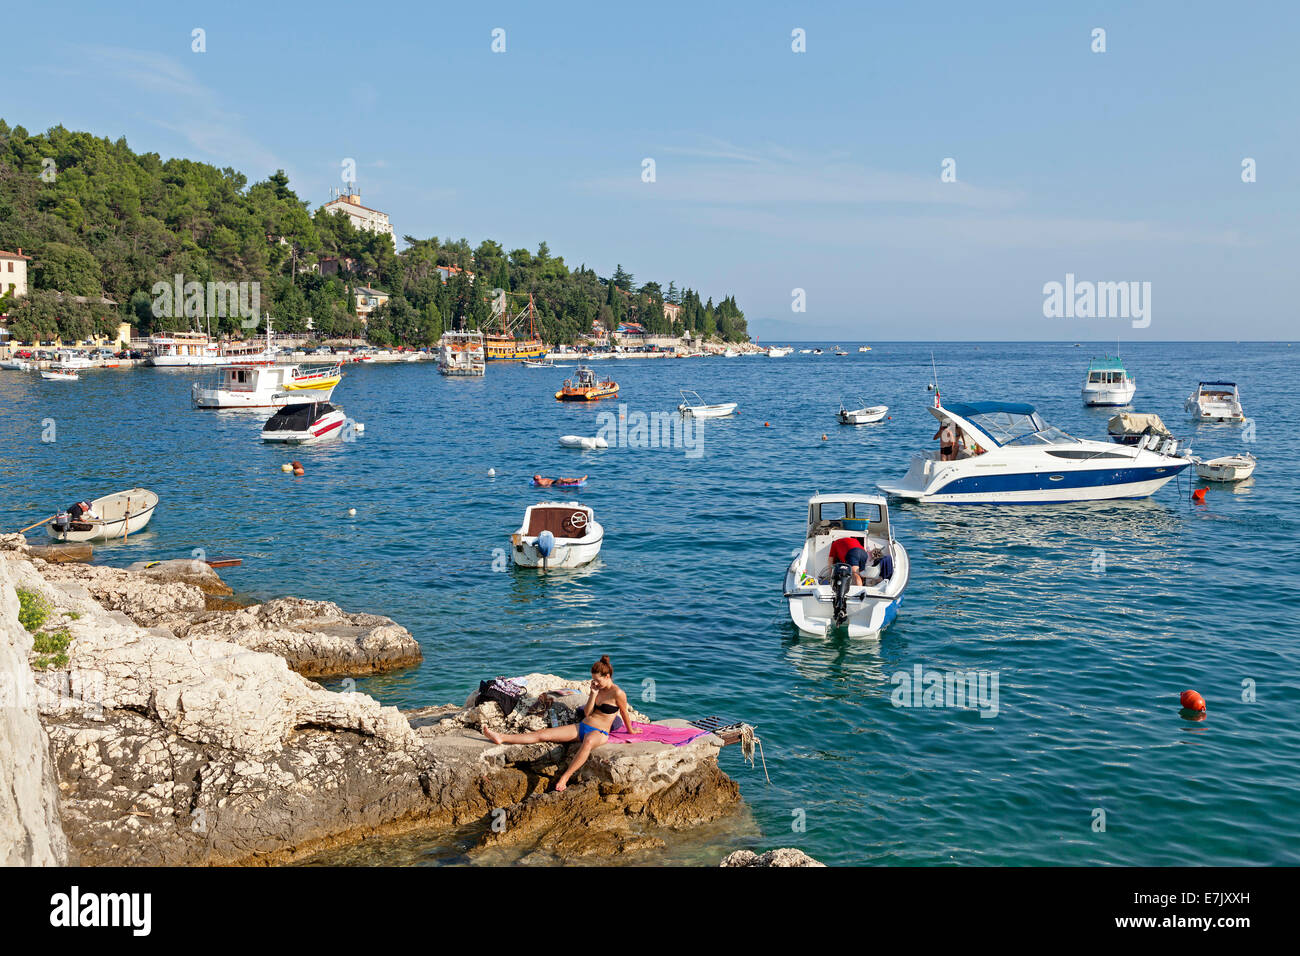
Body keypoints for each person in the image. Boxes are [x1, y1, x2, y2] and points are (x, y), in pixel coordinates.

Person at [481, 655, 641, 791]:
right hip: (583, 726)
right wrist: (592, 694)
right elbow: (587, 712)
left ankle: (564, 778)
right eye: (593, 680)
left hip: (600, 733)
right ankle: (501, 737)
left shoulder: (618, 693)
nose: (595, 683)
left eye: (597, 681)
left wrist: (631, 731)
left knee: (589, 742)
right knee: (542, 734)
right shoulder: (597, 689)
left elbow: (625, 713)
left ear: (607, 677)